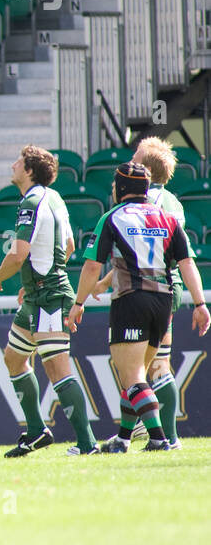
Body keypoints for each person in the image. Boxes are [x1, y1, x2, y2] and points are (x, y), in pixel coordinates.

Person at [68, 161, 211, 452]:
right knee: (137, 375)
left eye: (113, 184)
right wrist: (200, 303)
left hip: (131, 300)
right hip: (163, 302)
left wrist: (79, 302)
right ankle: (122, 438)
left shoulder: (113, 217)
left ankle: (159, 438)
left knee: (131, 376)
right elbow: (186, 264)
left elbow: (92, 266)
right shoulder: (166, 218)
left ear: (121, 187)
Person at [0, 146, 97, 456]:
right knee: (13, 358)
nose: (13, 164)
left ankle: (87, 444)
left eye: (18, 161)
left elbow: (18, 254)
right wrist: (36, 277)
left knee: (58, 371)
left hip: (49, 297)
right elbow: (70, 244)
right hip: (39, 293)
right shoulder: (54, 198)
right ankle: (36, 431)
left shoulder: (31, 201)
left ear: (30, 170)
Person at [90, 138, 189, 448]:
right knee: (143, 369)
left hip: (147, 288)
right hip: (167, 287)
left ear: (143, 169)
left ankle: (166, 436)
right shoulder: (173, 201)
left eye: (135, 157)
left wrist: (105, 281)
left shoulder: (148, 205)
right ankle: (124, 436)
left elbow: (143, 252)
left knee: (153, 368)